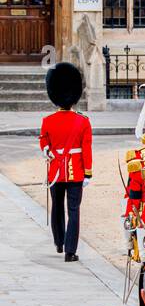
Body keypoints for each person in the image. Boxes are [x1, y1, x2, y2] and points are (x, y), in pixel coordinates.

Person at [38, 62, 91, 262]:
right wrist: (88, 173)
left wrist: (46, 150)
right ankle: (70, 250)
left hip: (56, 171)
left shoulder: (48, 120)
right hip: (76, 171)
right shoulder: (83, 121)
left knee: (57, 207)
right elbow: (86, 148)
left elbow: (44, 139)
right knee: (74, 211)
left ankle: (59, 242)